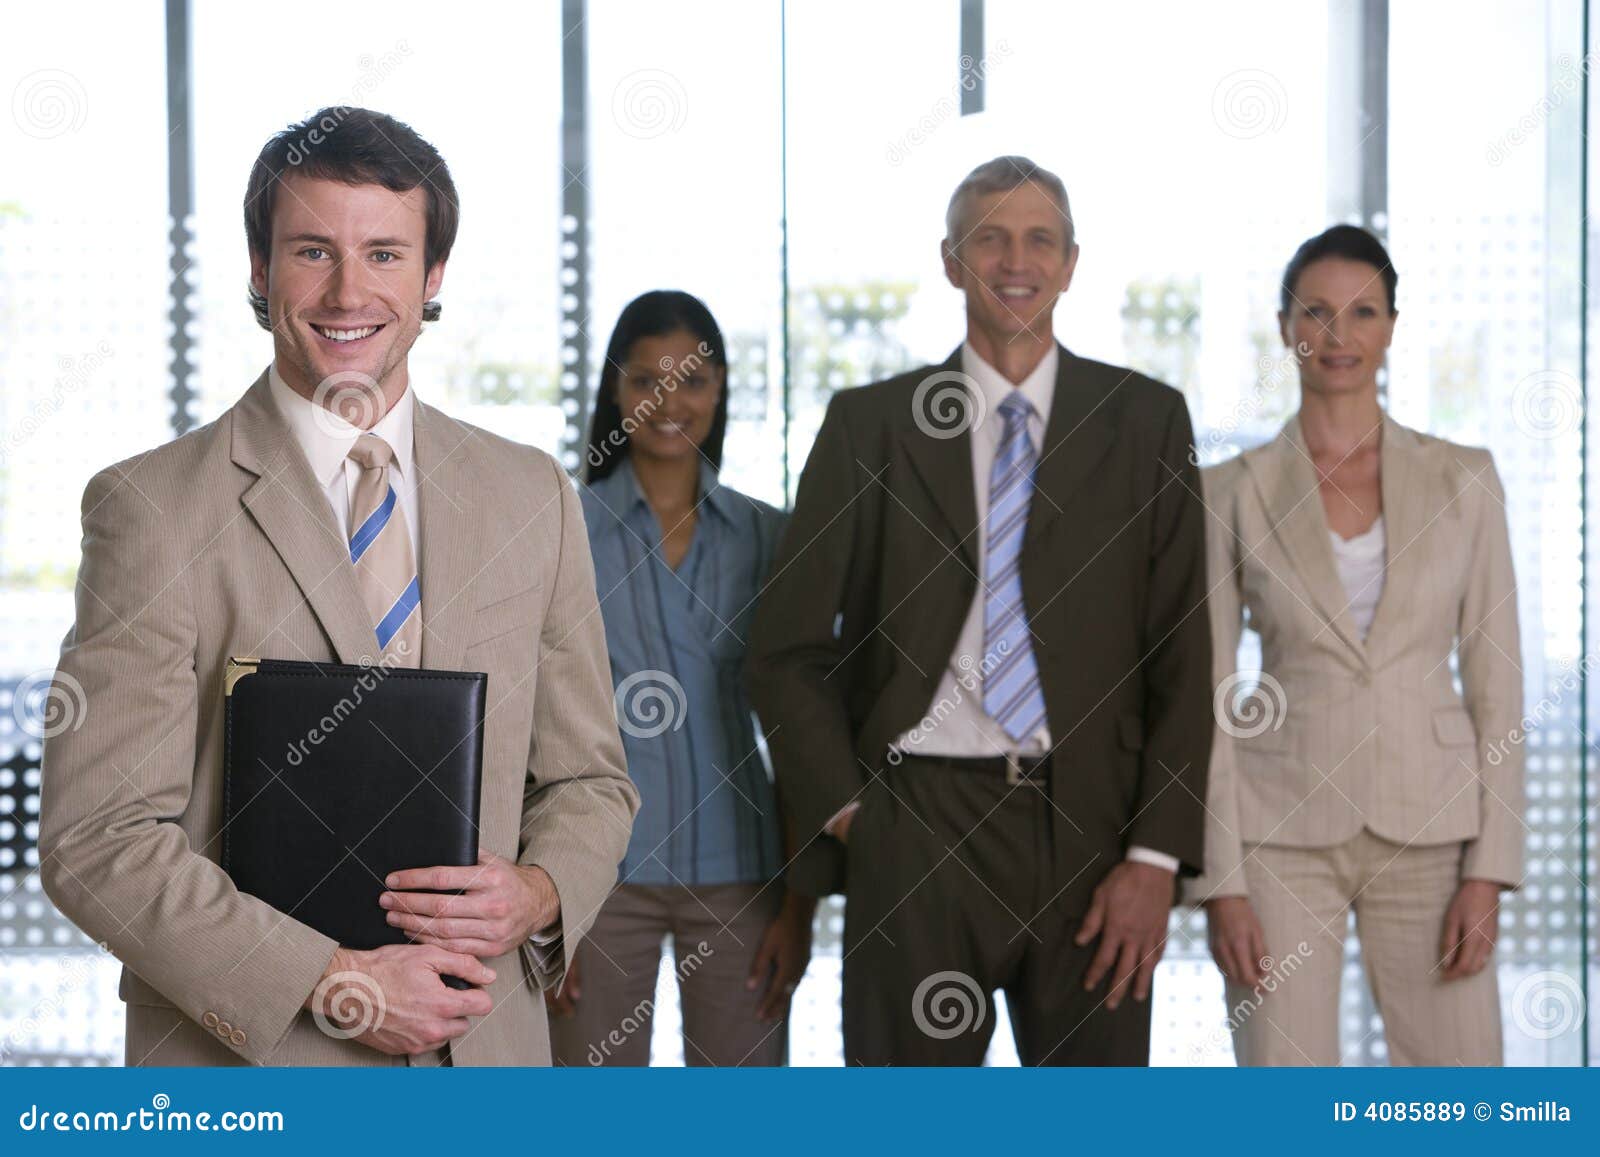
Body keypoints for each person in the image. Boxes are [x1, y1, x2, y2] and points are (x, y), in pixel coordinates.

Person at [37, 107, 638, 1066]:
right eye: (312, 250)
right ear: (259, 268)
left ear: (433, 275)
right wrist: (334, 982)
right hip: (250, 1070)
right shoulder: (152, 508)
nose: (348, 290)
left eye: (386, 255)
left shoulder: (530, 495)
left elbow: (590, 781)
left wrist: (537, 891)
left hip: (483, 1058)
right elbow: (95, 838)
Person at [747, 156, 1213, 1065]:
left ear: (1072, 263)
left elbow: (1185, 653)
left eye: (1040, 238)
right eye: (990, 237)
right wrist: (852, 815)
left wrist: (1156, 857)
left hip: (1092, 831)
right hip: (915, 828)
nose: (1016, 259)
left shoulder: (1146, 420)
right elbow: (784, 648)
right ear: (953, 260)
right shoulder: (870, 422)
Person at [1191, 224, 1524, 1066]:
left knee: (1464, 1101)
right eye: (1317, 313)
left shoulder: (1465, 478)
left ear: (1391, 326)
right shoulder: (1229, 491)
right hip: (1279, 830)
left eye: (1362, 312)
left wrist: (1491, 868)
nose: (1338, 336)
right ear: (1283, 327)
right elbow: (1208, 692)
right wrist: (1220, 879)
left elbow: (1499, 685)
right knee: (1284, 1094)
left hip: (1435, 828)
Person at [547, 290, 813, 1066]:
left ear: (721, 387)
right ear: (615, 392)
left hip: (742, 871)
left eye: (691, 380)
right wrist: (544, 903)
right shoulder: (565, 529)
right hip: (596, 877)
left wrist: (799, 905)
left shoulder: (770, 535)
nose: (669, 402)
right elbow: (523, 717)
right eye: (643, 381)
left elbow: (799, 724)